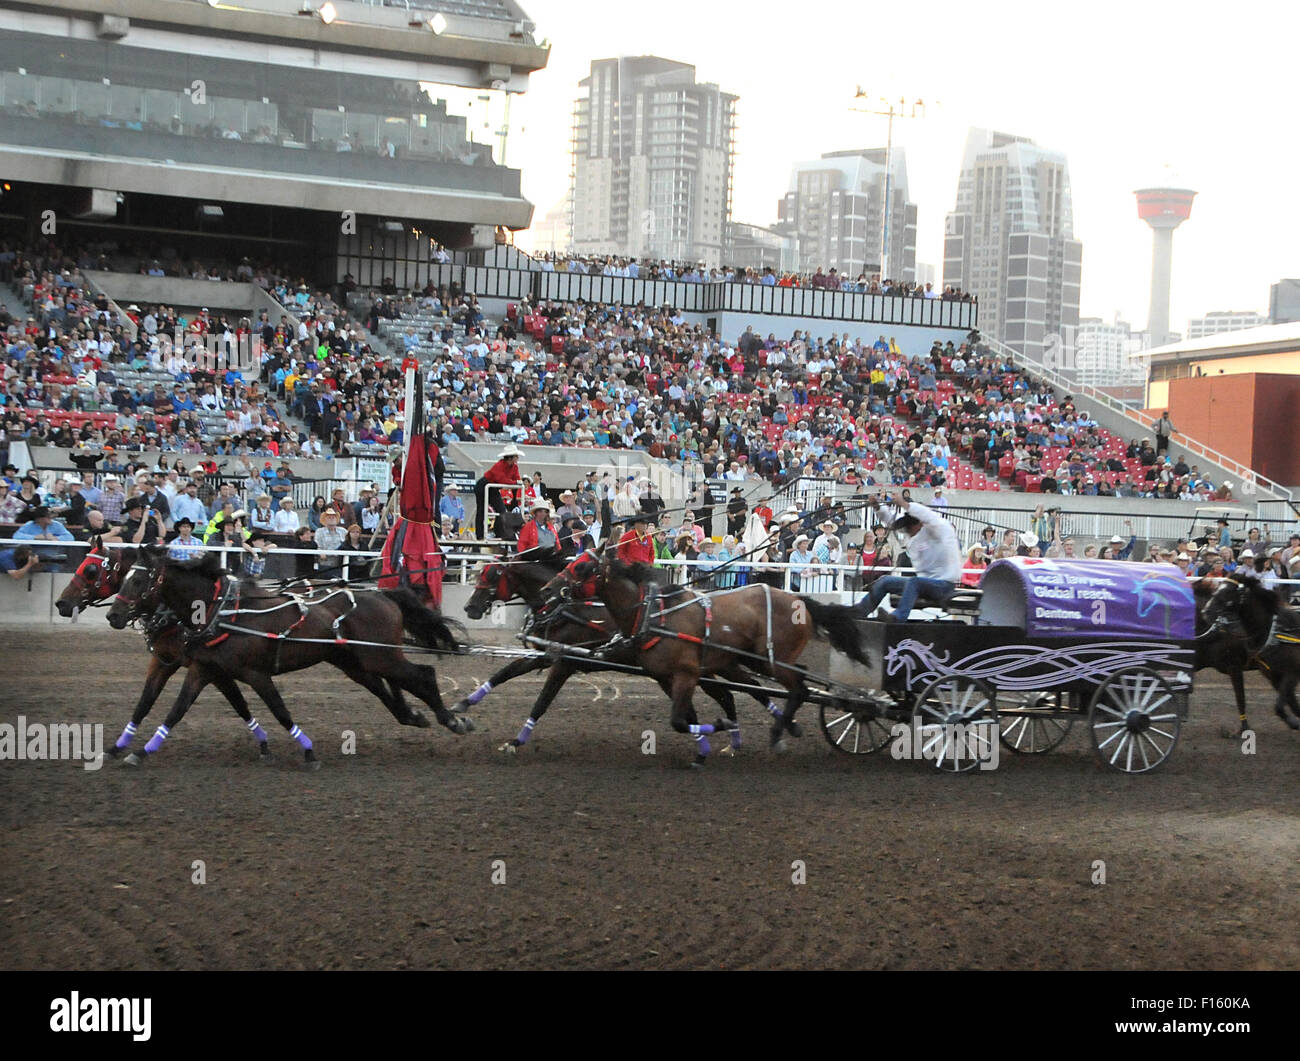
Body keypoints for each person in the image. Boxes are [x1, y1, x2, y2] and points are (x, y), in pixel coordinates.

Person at [854, 492, 962, 621]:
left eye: (909, 527)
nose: (907, 530)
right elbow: (892, 520)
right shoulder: (915, 533)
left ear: (920, 523)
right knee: (885, 581)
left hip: (944, 585)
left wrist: (905, 504)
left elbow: (929, 516)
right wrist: (878, 507)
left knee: (914, 582)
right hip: (926, 584)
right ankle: (859, 612)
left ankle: (897, 617)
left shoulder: (940, 529)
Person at [476, 443, 522, 539]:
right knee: (481, 510)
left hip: (493, 488)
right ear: (511, 457)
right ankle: (479, 535)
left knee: (501, 510)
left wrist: (514, 482)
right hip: (483, 486)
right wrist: (514, 482)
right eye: (516, 456)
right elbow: (501, 479)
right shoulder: (499, 465)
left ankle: (498, 532)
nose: (518, 458)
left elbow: (517, 479)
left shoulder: (515, 467)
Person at [13, 506, 76, 571]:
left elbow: (70, 537)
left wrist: (55, 538)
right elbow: (16, 536)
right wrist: (34, 537)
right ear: (39, 518)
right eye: (47, 517)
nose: (50, 518)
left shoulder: (57, 525)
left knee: (55, 569)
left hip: (54, 556)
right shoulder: (29, 525)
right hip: (35, 555)